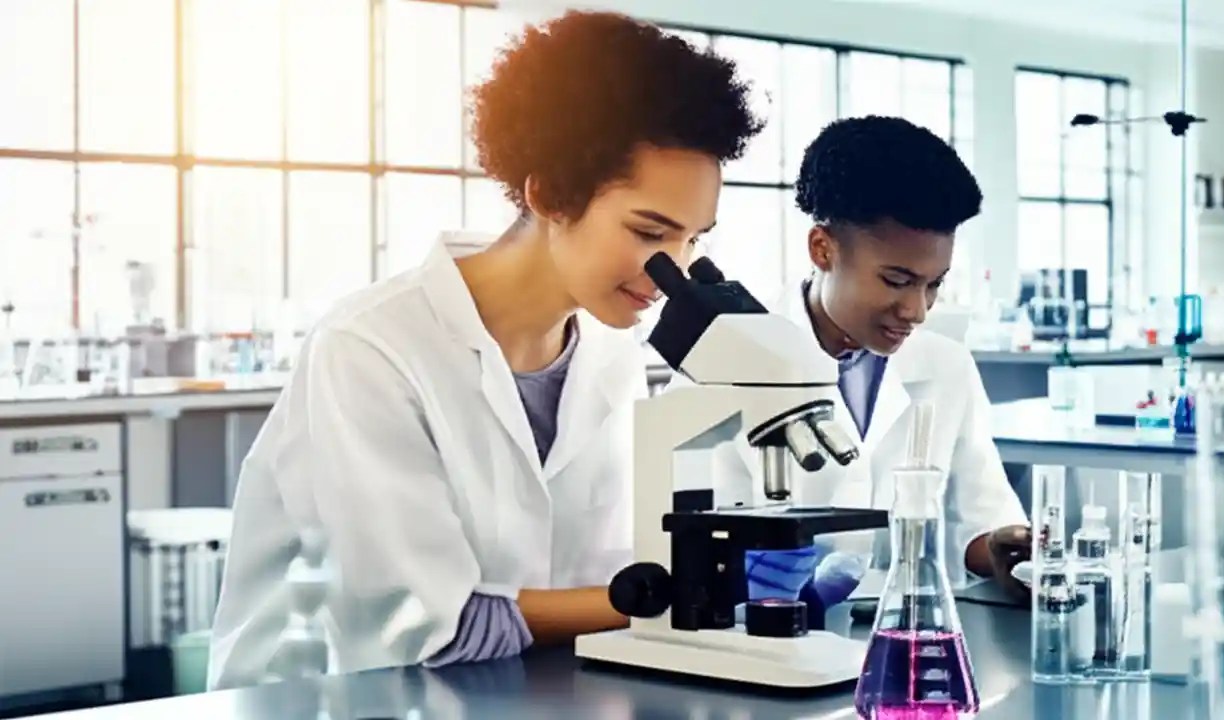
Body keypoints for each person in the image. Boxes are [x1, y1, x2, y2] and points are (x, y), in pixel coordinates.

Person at [207, 11, 762, 690]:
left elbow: (597, 577)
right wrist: (682, 592)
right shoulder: (371, 350)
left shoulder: (608, 352)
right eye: (651, 232)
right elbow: (440, 627)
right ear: (550, 193)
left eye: (693, 240)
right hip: (337, 696)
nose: (670, 269)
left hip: (521, 691)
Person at [720, 116, 1031, 606]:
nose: (917, 311)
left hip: (905, 638)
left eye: (934, 284)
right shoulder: (727, 358)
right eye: (896, 280)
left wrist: (1007, 553)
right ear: (822, 249)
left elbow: (980, 520)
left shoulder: (945, 366)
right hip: (763, 639)